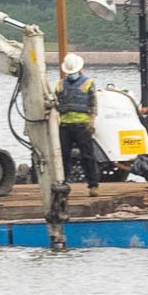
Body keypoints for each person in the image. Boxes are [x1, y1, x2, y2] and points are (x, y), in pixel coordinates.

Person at [54, 53, 99, 195]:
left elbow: (93, 104)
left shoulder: (88, 83)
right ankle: (64, 183)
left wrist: (91, 121)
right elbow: (55, 103)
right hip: (65, 126)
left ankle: (93, 185)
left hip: (82, 125)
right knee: (63, 156)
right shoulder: (60, 84)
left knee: (88, 156)